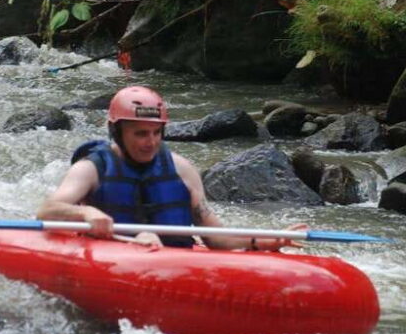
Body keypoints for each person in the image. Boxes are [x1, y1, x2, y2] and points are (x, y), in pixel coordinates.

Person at [37, 85, 304, 250]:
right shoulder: (91, 168)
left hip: (175, 262)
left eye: (156, 132)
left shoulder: (182, 170)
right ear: (117, 132)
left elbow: (214, 237)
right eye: (140, 133)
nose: (151, 142)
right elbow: (46, 212)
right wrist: (87, 215)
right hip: (115, 254)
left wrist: (261, 241)